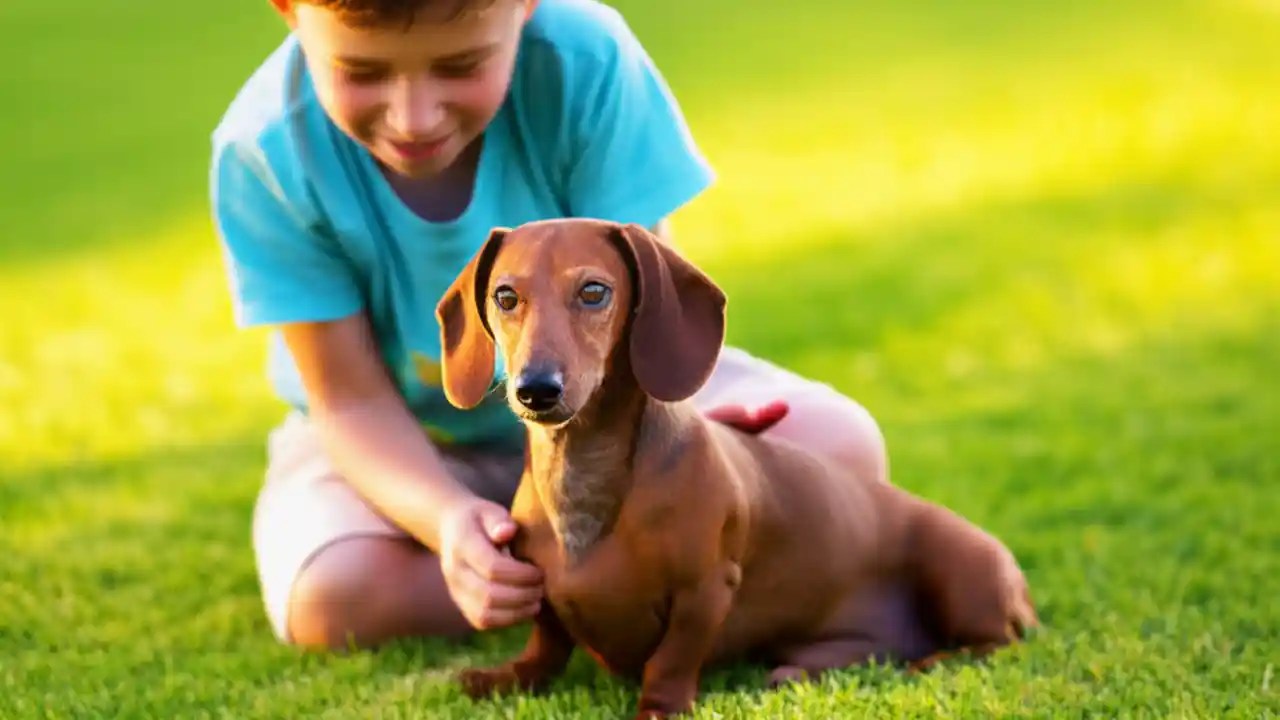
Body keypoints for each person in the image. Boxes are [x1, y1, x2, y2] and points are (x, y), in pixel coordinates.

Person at [210, 0, 888, 650]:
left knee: (843, 443)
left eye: (459, 65)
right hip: (414, 441)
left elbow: (645, 319)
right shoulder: (264, 150)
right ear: (289, 10)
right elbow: (350, 401)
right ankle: (584, 577)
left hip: (620, 409)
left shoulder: (586, 61)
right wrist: (446, 521)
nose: (414, 117)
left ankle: (603, 571)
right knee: (330, 597)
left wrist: (696, 438)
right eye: (362, 73)